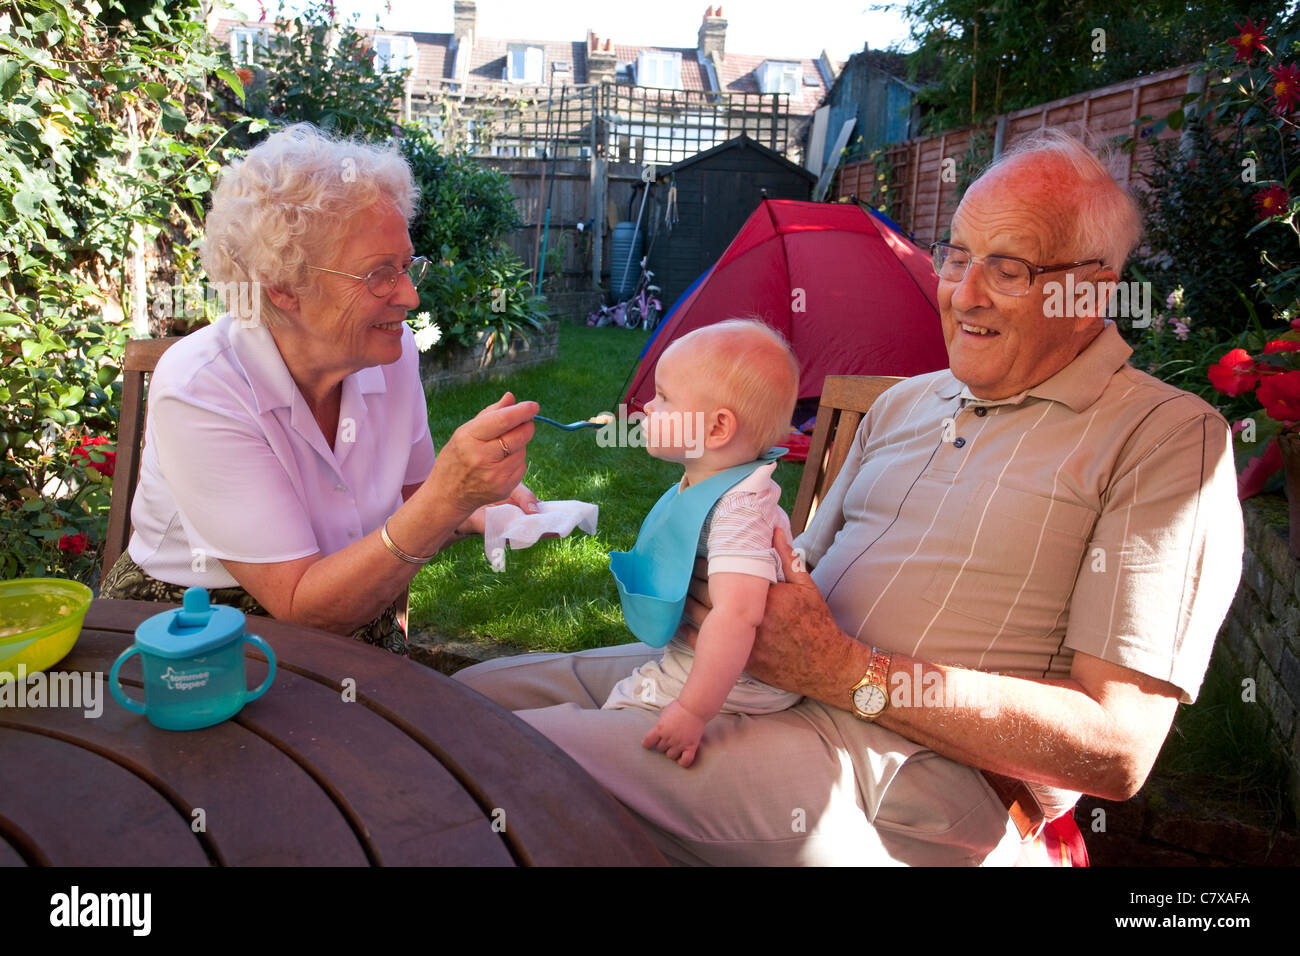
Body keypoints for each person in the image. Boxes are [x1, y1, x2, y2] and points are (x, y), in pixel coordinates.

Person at [454, 129, 1245, 865]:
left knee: (502, 766)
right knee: (462, 706)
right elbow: (799, 569)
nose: (962, 293)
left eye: (1008, 269)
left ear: (1092, 291)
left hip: (902, 774)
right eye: (956, 254)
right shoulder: (907, 403)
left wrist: (850, 673)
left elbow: (1117, 748)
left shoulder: (1165, 439)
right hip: (759, 686)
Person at [101, 123, 539, 653]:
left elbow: (410, 501)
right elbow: (300, 609)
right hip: (192, 636)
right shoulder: (202, 386)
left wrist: (473, 503)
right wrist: (448, 495)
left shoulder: (386, 352)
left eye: (406, 266)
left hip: (348, 615)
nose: (410, 296)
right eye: (380, 274)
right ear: (284, 289)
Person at [603, 320, 802, 769]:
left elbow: (737, 615)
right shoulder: (713, 482)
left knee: (622, 705)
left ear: (715, 430)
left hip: (739, 681)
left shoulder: (738, 512)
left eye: (665, 398)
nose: (647, 408)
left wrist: (692, 711)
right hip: (708, 658)